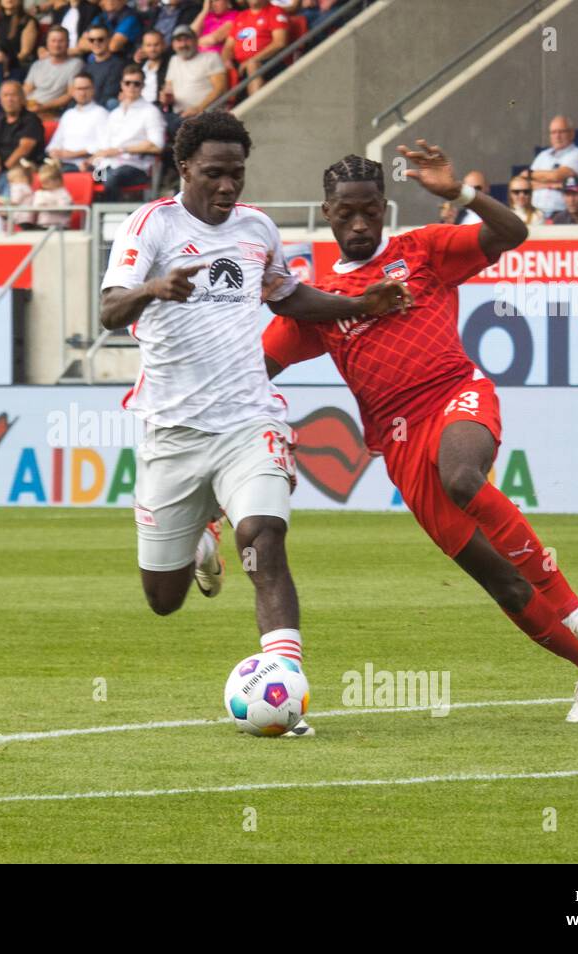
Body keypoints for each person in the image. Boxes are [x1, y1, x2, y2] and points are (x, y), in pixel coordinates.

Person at [262, 143, 578, 723]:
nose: (359, 223)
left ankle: (576, 608)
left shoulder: (424, 250)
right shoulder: (320, 303)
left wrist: (460, 195)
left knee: (462, 476)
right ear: (327, 212)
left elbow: (512, 234)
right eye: (345, 212)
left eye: (369, 211)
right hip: (400, 443)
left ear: (383, 207)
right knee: (505, 587)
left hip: (457, 393)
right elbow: (258, 366)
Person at [100, 111, 408, 737]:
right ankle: (196, 539)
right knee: (163, 600)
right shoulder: (150, 226)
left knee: (265, 537)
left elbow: (286, 296)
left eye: (236, 173)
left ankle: (285, 690)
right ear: (185, 168)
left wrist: (356, 304)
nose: (227, 186)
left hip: (249, 419)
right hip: (172, 432)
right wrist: (156, 288)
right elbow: (109, 310)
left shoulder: (257, 228)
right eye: (214, 174)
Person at [92, 64, 164, 200]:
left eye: (136, 84)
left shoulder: (151, 112)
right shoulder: (114, 114)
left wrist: (121, 150)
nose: (131, 87)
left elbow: (157, 146)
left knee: (112, 178)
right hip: (107, 165)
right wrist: (94, 158)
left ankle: (112, 219)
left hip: (136, 167)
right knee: (87, 177)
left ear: (143, 86)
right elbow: (103, 145)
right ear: (122, 85)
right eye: (128, 83)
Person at [223, 0, 289, 96]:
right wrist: (226, 60)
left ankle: (256, 108)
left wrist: (251, 60)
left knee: (252, 65)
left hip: (268, 62)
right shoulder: (241, 16)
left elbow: (279, 43)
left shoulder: (275, 11)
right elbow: (228, 46)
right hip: (240, 66)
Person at [527, 115, 578, 220]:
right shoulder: (542, 155)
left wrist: (533, 175)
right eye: (553, 132)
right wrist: (555, 185)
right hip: (535, 212)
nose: (557, 136)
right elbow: (527, 183)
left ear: (571, 134)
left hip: (561, 213)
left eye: (561, 132)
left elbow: (557, 176)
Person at [45, 72, 107, 171]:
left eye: (86, 88)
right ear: (73, 91)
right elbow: (55, 142)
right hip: (61, 162)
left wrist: (74, 154)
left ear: (93, 90)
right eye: (79, 89)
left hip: (86, 164)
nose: (82, 93)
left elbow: (104, 145)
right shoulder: (68, 115)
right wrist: (54, 151)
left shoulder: (101, 113)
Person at [164, 23, 226, 119]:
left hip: (207, 113)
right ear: (173, 45)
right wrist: (166, 98)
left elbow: (220, 88)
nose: (183, 44)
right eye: (179, 41)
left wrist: (199, 108)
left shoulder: (211, 57)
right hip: (180, 116)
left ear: (196, 41)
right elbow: (168, 88)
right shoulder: (174, 60)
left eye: (187, 39)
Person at [25, 25, 83, 120]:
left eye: (61, 41)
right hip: (30, 107)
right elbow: (26, 89)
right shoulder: (37, 64)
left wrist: (43, 107)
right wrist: (22, 103)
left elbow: (70, 94)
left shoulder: (76, 64)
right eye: (53, 41)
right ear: (47, 43)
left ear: (68, 43)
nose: (56, 45)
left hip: (52, 112)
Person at [0, 80, 45, 167]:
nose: (9, 99)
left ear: (22, 99)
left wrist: (4, 169)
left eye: (13, 95)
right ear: (0, 101)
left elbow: (24, 149)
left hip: (20, 168)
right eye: (5, 95)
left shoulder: (31, 120)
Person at [81, 23, 123, 108]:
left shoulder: (117, 66)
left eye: (100, 39)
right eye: (92, 40)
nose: (96, 43)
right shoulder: (87, 67)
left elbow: (108, 97)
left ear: (109, 40)